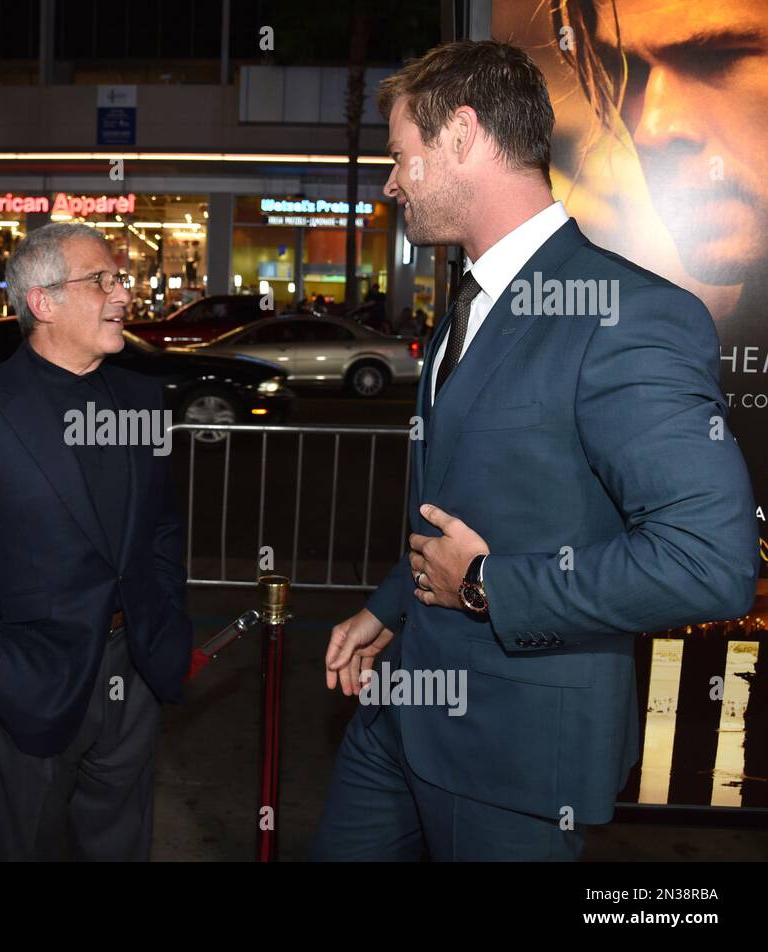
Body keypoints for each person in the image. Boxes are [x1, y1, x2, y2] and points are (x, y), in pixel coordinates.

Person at [311, 40, 758, 861]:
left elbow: (709, 562)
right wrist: (391, 607)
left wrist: (484, 585)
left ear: (465, 136)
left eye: (402, 157)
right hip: (399, 714)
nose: (391, 182)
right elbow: (468, 501)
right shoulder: (469, 301)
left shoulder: (627, 315)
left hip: (513, 757)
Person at [0, 222, 192, 861]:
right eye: (102, 281)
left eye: (121, 279)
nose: (123, 294)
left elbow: (163, 531)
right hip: (25, 682)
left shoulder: (143, 398)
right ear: (44, 302)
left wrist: (162, 618)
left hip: (134, 669)